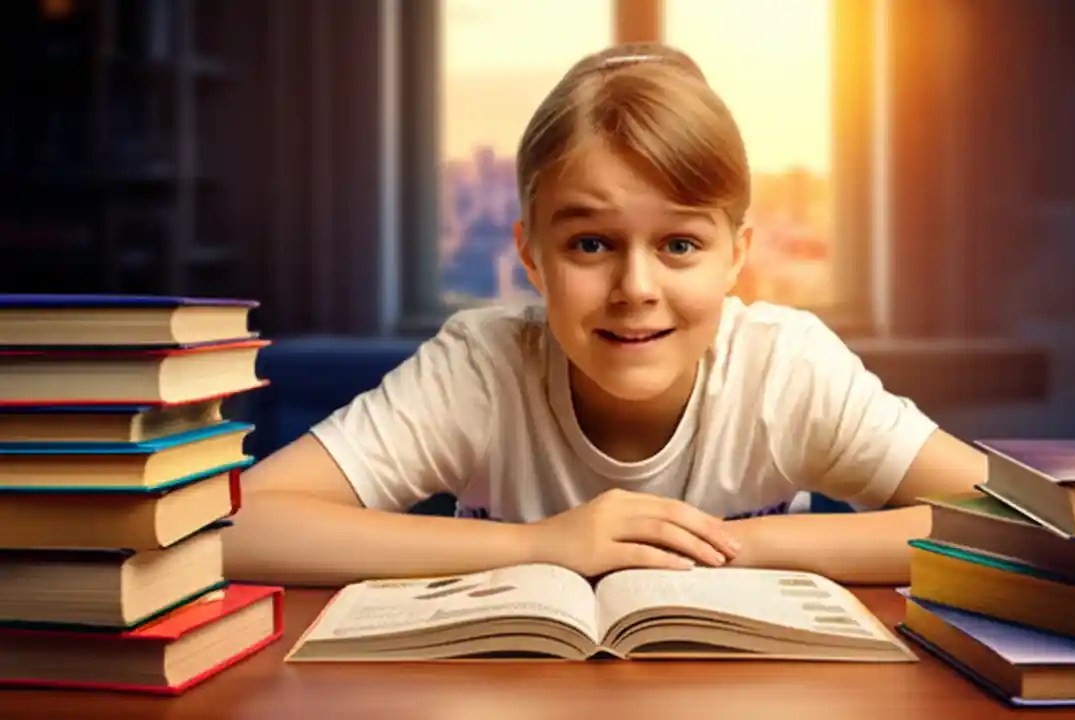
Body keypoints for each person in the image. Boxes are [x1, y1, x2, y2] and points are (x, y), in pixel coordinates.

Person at [223, 43, 986, 587]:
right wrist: (539, 548)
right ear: (531, 256)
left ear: (737, 256)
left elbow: (1016, 524)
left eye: (680, 244)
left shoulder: (785, 365)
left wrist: (747, 546)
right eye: (591, 243)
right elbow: (238, 526)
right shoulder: (483, 365)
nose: (636, 287)